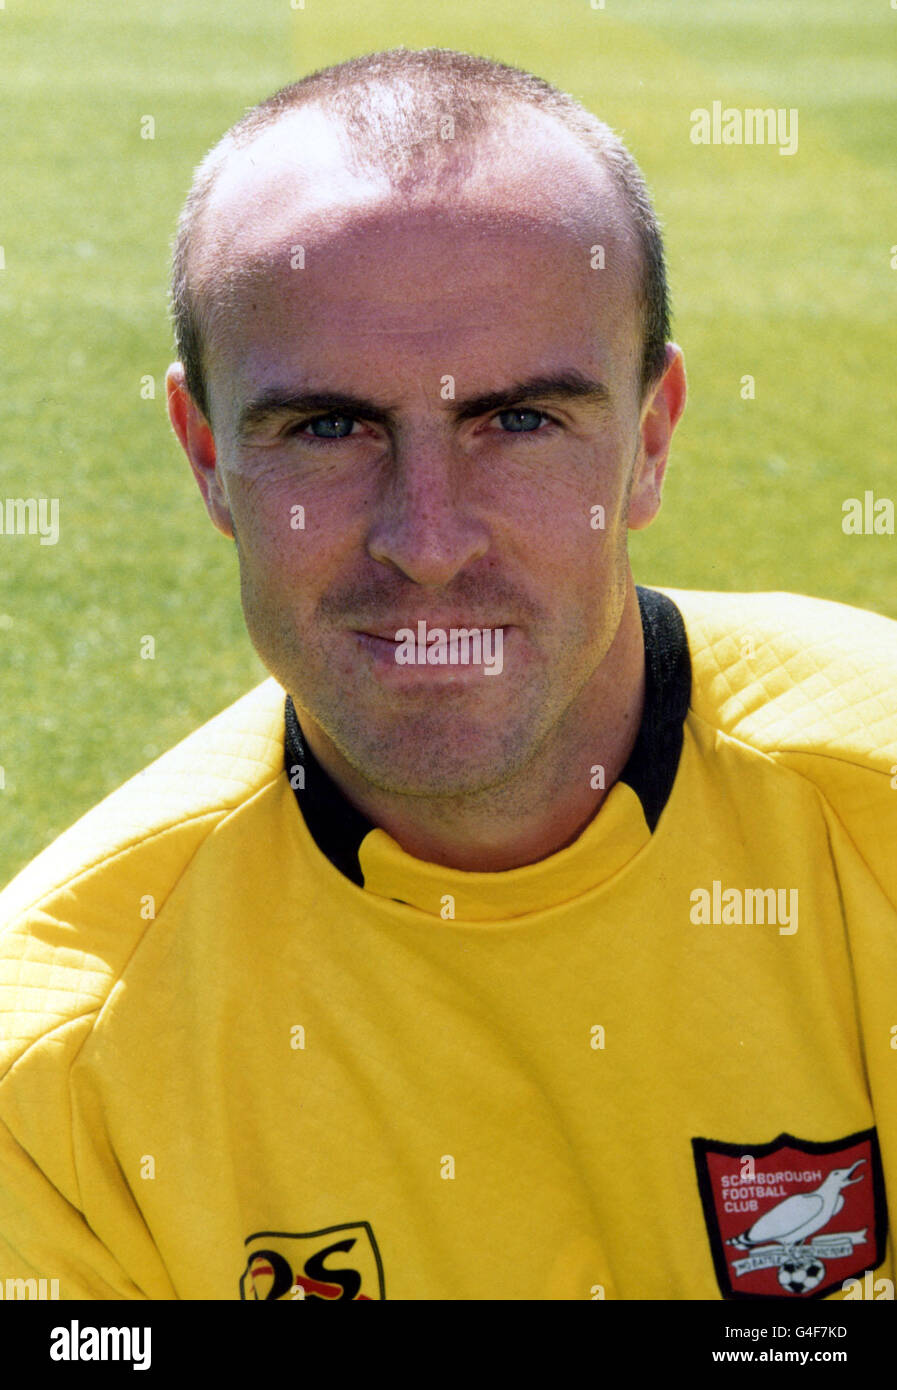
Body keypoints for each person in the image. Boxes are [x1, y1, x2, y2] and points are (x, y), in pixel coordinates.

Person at [0, 47, 894, 1303]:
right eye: (328, 426)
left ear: (648, 439)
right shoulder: (53, 1058)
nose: (426, 542)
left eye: (518, 420)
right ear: (204, 456)